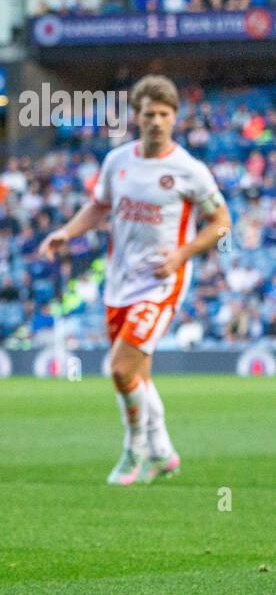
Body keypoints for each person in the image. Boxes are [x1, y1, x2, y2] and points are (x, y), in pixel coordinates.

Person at [39, 75, 230, 485]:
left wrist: (180, 254)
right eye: (149, 114)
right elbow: (98, 207)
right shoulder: (118, 161)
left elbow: (222, 223)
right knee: (138, 375)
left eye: (164, 114)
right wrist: (67, 233)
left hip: (163, 282)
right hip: (119, 281)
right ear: (136, 116)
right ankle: (164, 453)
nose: (157, 121)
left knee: (120, 369)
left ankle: (135, 450)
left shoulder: (189, 170)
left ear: (175, 118)